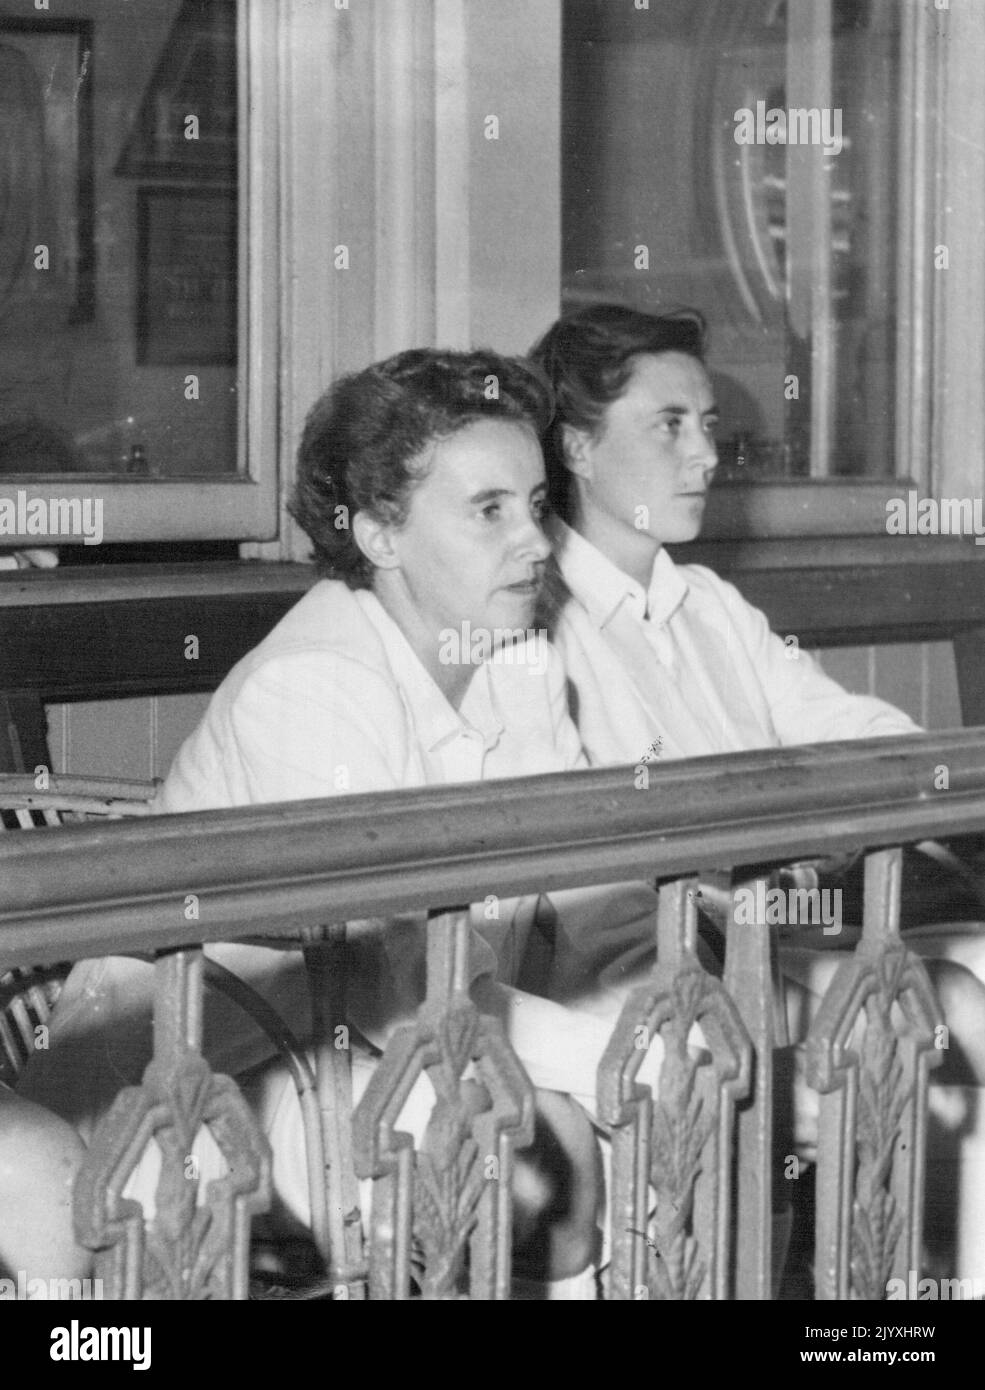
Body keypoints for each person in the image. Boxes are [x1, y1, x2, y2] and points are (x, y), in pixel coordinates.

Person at [16, 347, 666, 1298]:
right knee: (534, 1157)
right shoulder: (312, 686)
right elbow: (393, 980)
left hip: (390, 1054)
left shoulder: (516, 661)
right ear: (378, 534)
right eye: (488, 510)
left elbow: (586, 902)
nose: (535, 540)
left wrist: (654, 1026)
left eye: (536, 503)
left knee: (662, 1100)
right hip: (198, 1089)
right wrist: (622, 1060)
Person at [528, 302, 985, 1279]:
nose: (705, 457)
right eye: (670, 426)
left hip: (754, 940)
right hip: (629, 976)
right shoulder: (534, 624)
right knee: (952, 1005)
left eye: (708, 428)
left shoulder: (709, 606)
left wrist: (939, 779)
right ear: (574, 444)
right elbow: (611, 866)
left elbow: (848, 729)